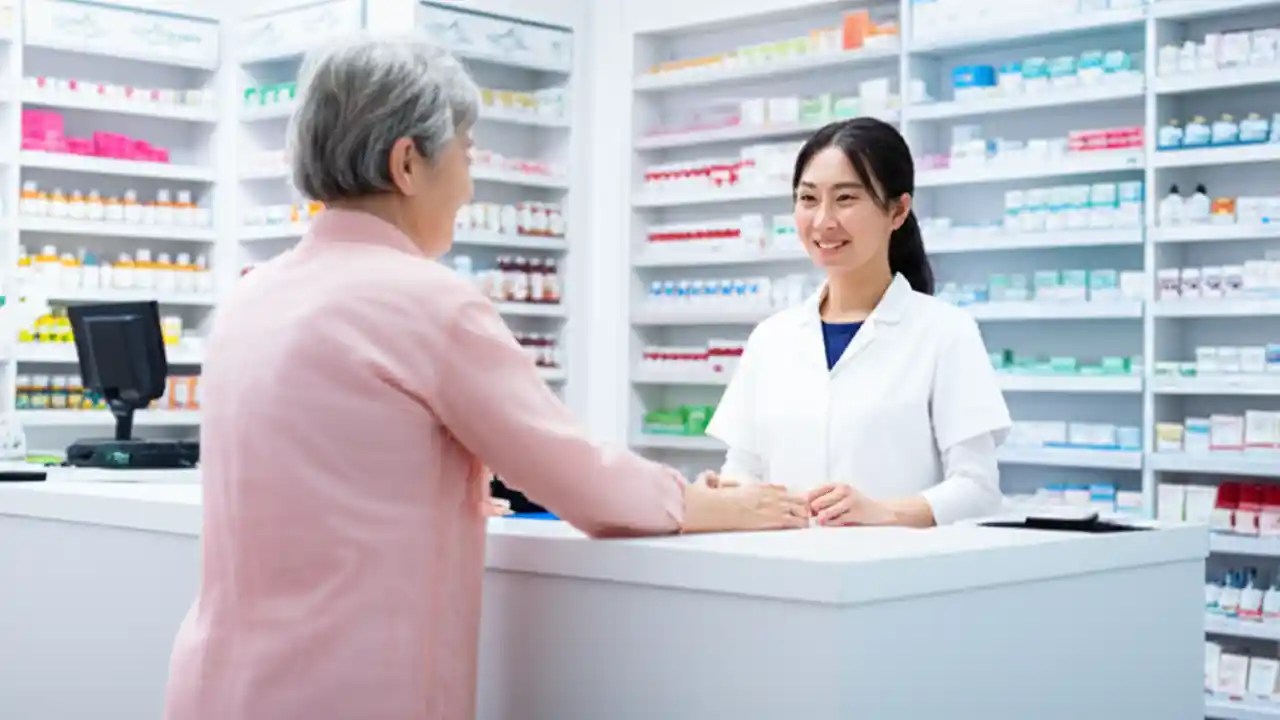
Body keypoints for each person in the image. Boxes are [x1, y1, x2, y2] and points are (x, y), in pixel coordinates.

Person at [163, 37, 808, 720]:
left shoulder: (250, 297)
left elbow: (331, 473)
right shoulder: (427, 302)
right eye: (466, 154)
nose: (469, 186)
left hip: (219, 687)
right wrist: (711, 505)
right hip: (348, 692)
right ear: (408, 162)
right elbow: (581, 480)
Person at [701, 118, 1012, 528]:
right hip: (780, 575)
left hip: (890, 580)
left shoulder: (945, 332)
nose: (823, 221)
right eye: (808, 199)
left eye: (845, 198)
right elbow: (744, 468)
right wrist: (727, 495)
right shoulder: (771, 338)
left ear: (897, 211)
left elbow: (978, 491)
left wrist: (884, 512)